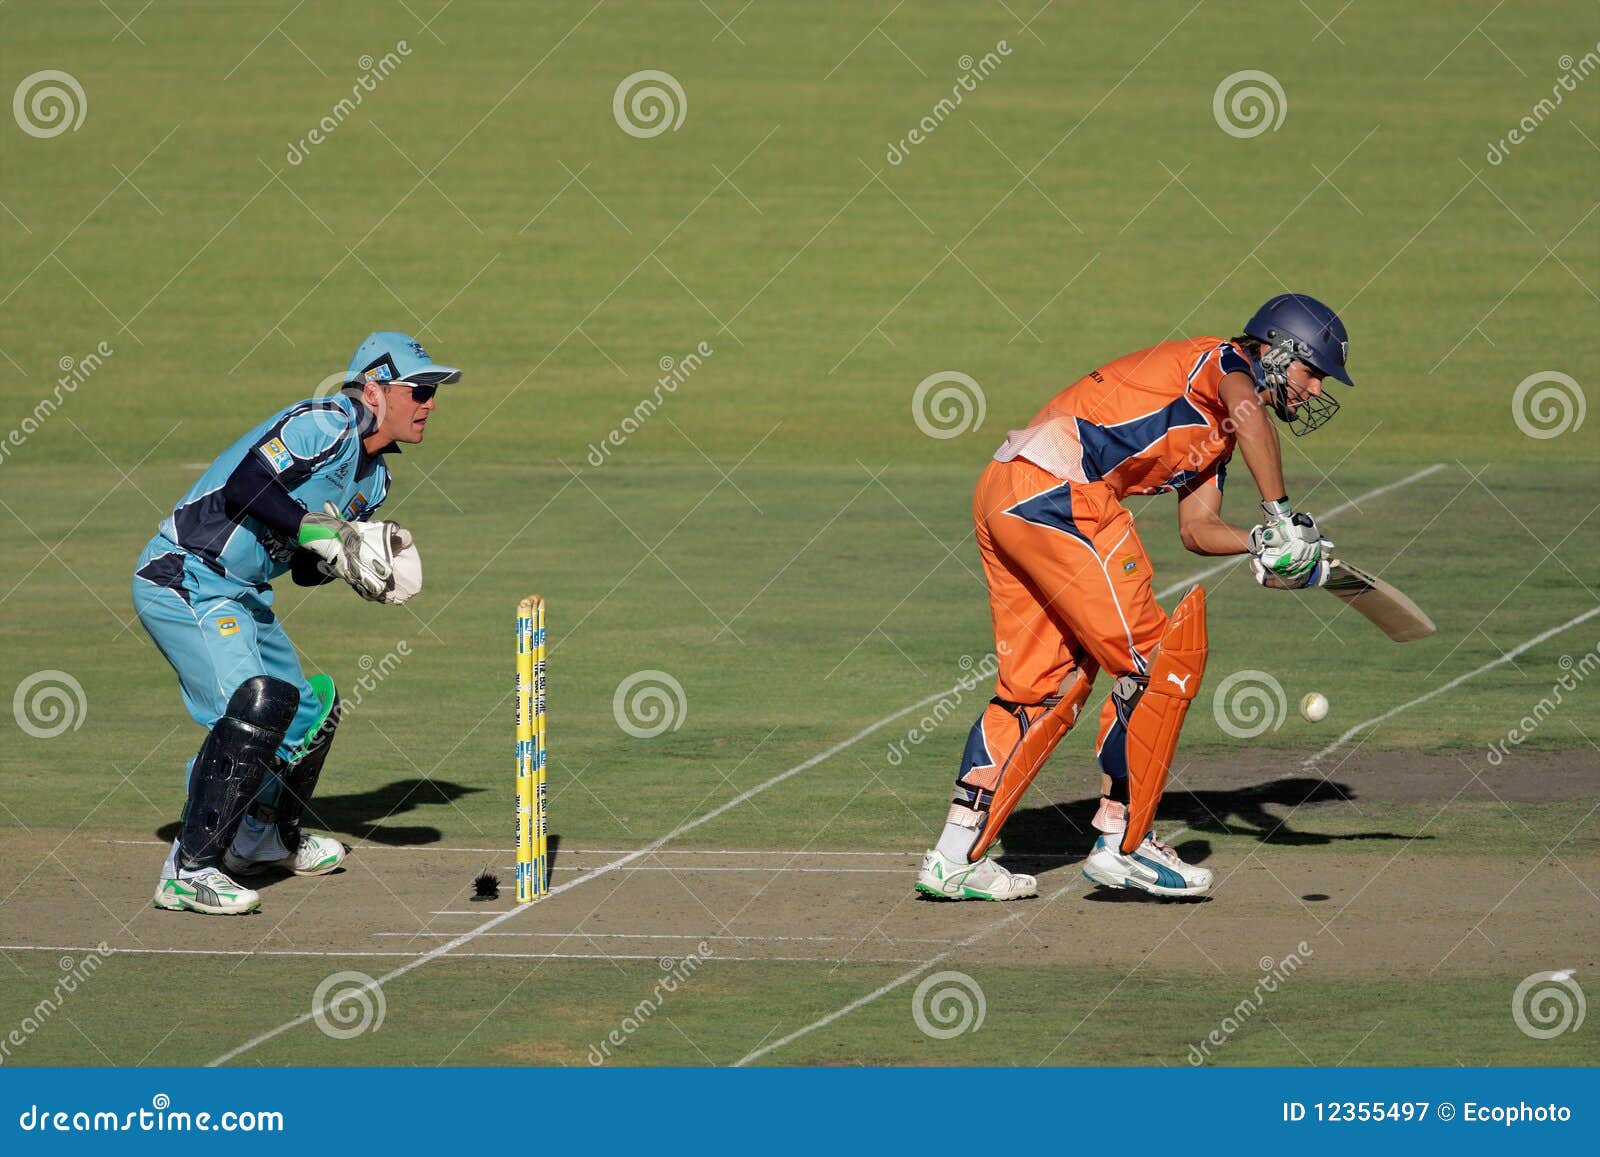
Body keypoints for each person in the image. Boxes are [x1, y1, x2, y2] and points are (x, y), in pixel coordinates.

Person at [914, 294, 1352, 901]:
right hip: (1060, 491)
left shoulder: (1219, 432)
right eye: (1313, 371)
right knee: (1157, 662)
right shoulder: (1223, 363)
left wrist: (1260, 544)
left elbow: (1198, 529)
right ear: (1279, 352)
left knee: (1041, 687)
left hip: (1009, 492)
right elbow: (1248, 408)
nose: (1315, 389)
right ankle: (1123, 842)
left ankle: (953, 857)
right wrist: (1281, 517)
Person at [133, 332, 455, 914]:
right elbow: (246, 485)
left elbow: (304, 571)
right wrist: (321, 531)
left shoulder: (376, 480)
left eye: (433, 393)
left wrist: (351, 565)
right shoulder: (324, 423)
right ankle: (188, 868)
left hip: (244, 595)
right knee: (255, 707)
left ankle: (263, 837)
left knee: (309, 712)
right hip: (187, 574)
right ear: (375, 389)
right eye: (420, 390)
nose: (430, 403)